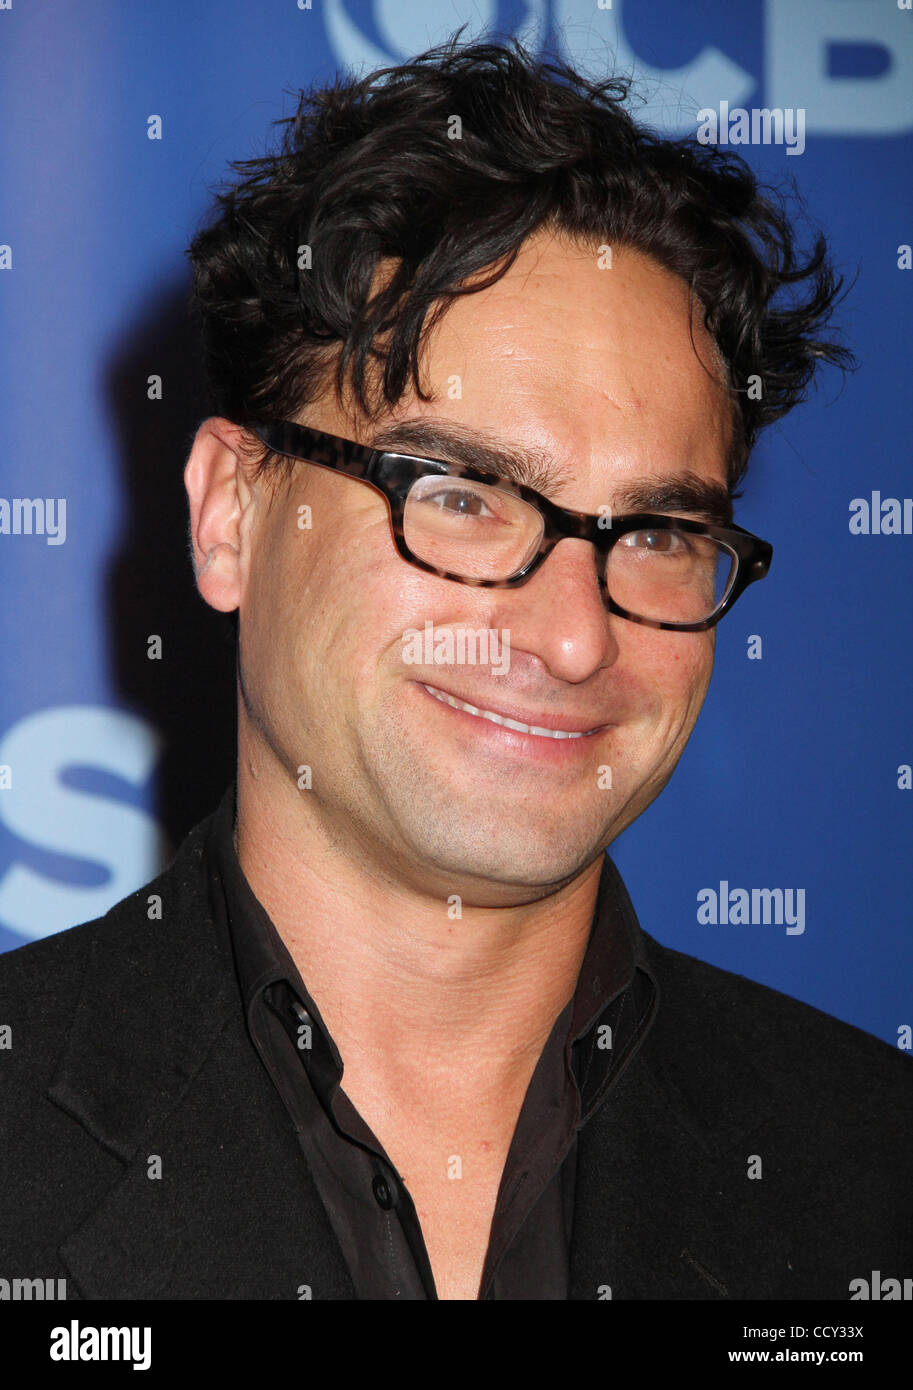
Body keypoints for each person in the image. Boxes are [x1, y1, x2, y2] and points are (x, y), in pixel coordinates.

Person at [1, 36, 909, 1302]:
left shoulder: (873, 1169)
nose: (573, 636)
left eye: (653, 533)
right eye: (464, 493)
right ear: (232, 516)